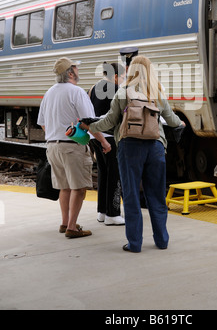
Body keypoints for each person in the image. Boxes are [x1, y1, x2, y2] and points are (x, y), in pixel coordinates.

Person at [80, 56, 185, 253]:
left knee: (130, 195)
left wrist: (90, 125)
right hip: (155, 148)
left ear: (132, 70)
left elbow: (109, 122)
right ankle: (162, 240)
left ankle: (135, 244)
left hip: (130, 148)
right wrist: (180, 124)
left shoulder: (123, 92)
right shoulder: (157, 92)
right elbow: (172, 120)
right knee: (156, 195)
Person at [37, 57, 111, 239]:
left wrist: (57, 133)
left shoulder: (49, 93)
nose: (78, 71)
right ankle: (72, 227)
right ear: (70, 73)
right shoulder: (76, 92)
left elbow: (42, 124)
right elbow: (90, 123)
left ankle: (64, 223)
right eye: (76, 68)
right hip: (72, 147)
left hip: (53, 147)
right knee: (78, 188)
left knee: (64, 187)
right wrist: (104, 142)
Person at [89, 62, 126, 225]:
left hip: (94, 136)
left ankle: (102, 212)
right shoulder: (116, 90)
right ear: (116, 76)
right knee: (115, 173)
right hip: (110, 137)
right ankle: (113, 213)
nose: (123, 81)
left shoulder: (92, 89)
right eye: (123, 77)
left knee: (103, 172)